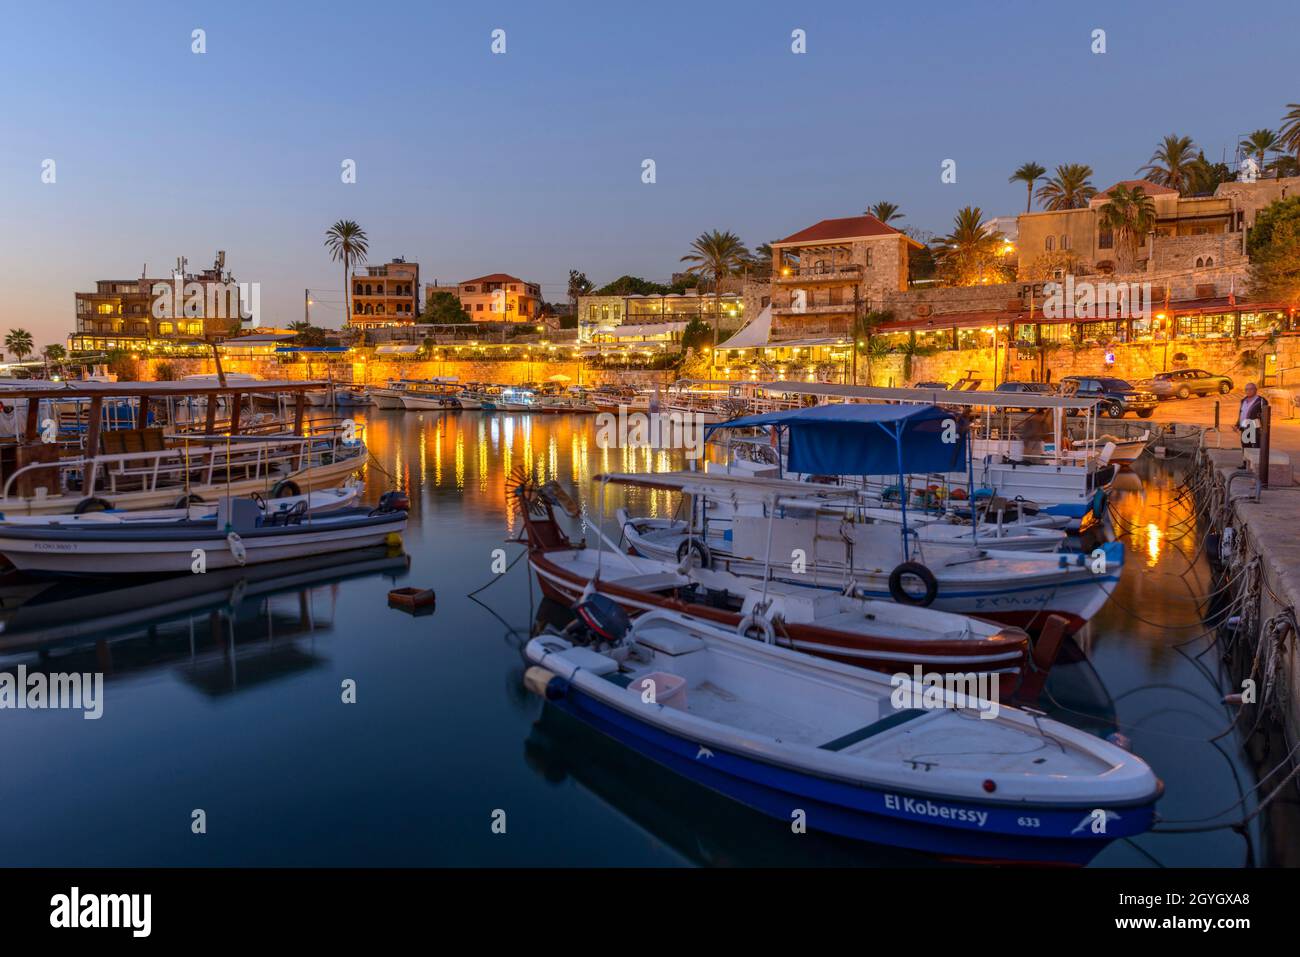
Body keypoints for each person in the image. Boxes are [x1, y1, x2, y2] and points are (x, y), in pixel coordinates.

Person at [1236, 382, 1266, 451]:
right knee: (1245, 447)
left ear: (1256, 390)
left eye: (1251, 389)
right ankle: (1245, 461)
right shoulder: (1243, 400)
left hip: (1254, 428)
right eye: (1246, 389)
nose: (1248, 391)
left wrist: (1262, 428)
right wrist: (1237, 423)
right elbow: (1241, 413)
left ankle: (1255, 462)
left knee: (1254, 449)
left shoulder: (1261, 401)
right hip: (1244, 428)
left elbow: (1265, 415)